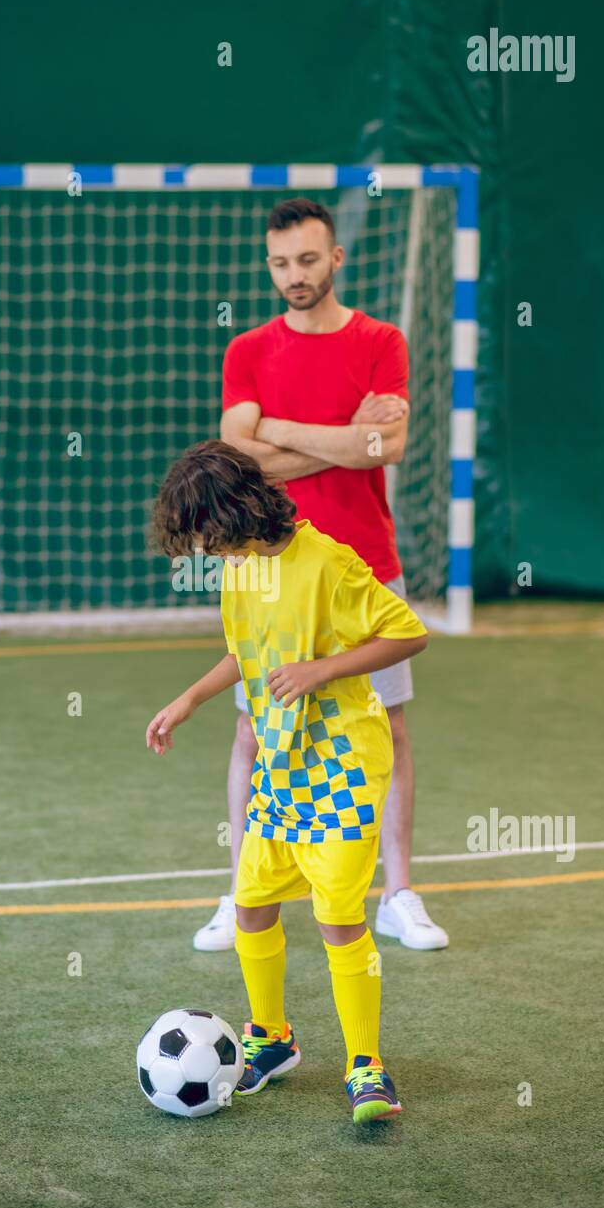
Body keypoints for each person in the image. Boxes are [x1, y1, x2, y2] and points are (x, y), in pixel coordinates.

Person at [146, 440, 429, 1124]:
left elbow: (409, 633)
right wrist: (190, 699)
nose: (204, 547)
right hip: (281, 764)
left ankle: (368, 1068)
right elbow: (245, 654)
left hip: (343, 769)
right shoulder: (239, 570)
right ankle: (270, 1041)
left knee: (337, 918)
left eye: (203, 530)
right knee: (252, 904)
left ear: (234, 510)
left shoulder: (329, 562)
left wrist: (321, 670)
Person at [193, 196, 448, 953]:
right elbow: (241, 458)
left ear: (336, 258)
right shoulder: (247, 350)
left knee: (390, 730)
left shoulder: (381, 340)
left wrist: (273, 429)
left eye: (308, 259)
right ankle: (244, 885)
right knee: (250, 729)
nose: (293, 275)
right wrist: (349, 438)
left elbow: (389, 449)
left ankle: (397, 894)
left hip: (366, 565)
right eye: (280, 263)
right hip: (269, 568)